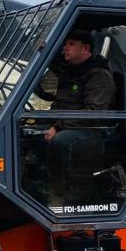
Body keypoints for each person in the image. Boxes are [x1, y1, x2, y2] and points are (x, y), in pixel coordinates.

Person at [42, 28, 115, 205]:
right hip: (66, 124)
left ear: (85, 49)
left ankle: (59, 195)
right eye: (65, 44)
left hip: (89, 129)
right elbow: (51, 60)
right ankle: (34, 190)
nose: (65, 48)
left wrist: (58, 127)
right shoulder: (70, 71)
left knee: (59, 141)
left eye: (71, 44)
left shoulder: (99, 75)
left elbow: (94, 113)